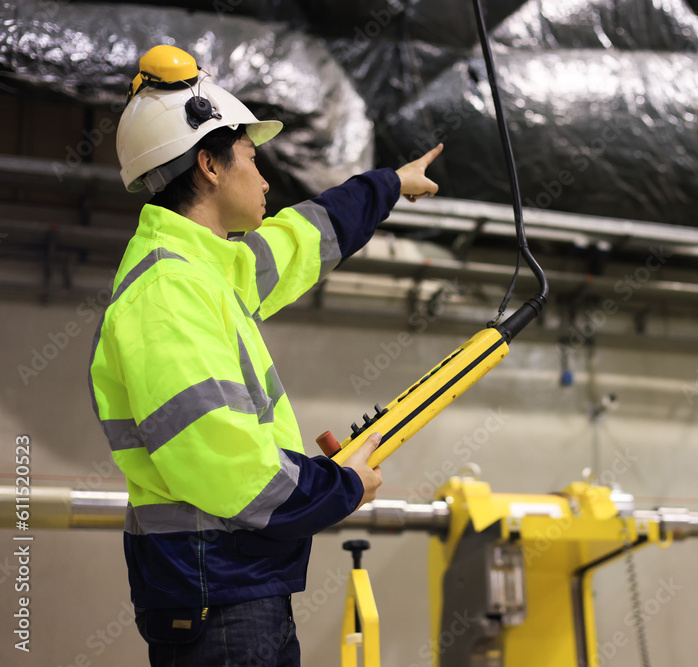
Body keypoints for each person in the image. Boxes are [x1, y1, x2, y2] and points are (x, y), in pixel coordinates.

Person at [88, 45, 443, 666]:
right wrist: (339, 487)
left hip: (235, 586)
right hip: (216, 591)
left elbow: (304, 239)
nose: (267, 178)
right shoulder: (169, 293)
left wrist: (387, 186)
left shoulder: (208, 271)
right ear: (210, 165)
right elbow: (225, 462)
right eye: (252, 158)